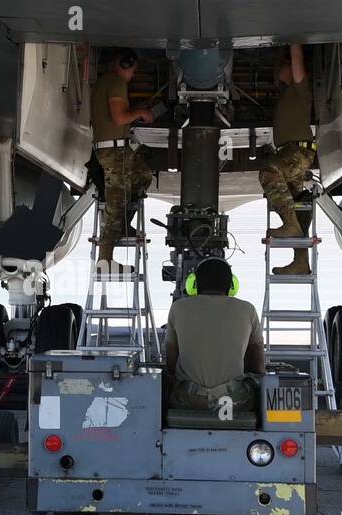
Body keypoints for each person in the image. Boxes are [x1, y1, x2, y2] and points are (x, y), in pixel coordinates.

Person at [165, 258, 265, 411]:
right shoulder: (247, 310)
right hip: (231, 402)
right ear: (230, 285)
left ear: (196, 284)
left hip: (188, 399)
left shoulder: (178, 308)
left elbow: (171, 363)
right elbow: (258, 365)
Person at [91, 48, 155, 274]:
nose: (133, 75)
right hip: (113, 152)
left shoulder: (105, 82)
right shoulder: (116, 82)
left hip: (117, 150)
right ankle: (104, 262)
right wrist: (141, 113)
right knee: (116, 204)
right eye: (133, 70)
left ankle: (123, 227)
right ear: (125, 64)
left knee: (142, 177)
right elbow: (119, 118)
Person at [259, 43, 316, 275]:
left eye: (285, 66)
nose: (279, 71)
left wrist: (293, 41)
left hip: (297, 152)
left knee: (269, 173)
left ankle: (290, 225)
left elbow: (297, 60)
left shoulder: (299, 89)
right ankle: (301, 261)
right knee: (298, 203)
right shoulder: (288, 95)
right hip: (290, 153)